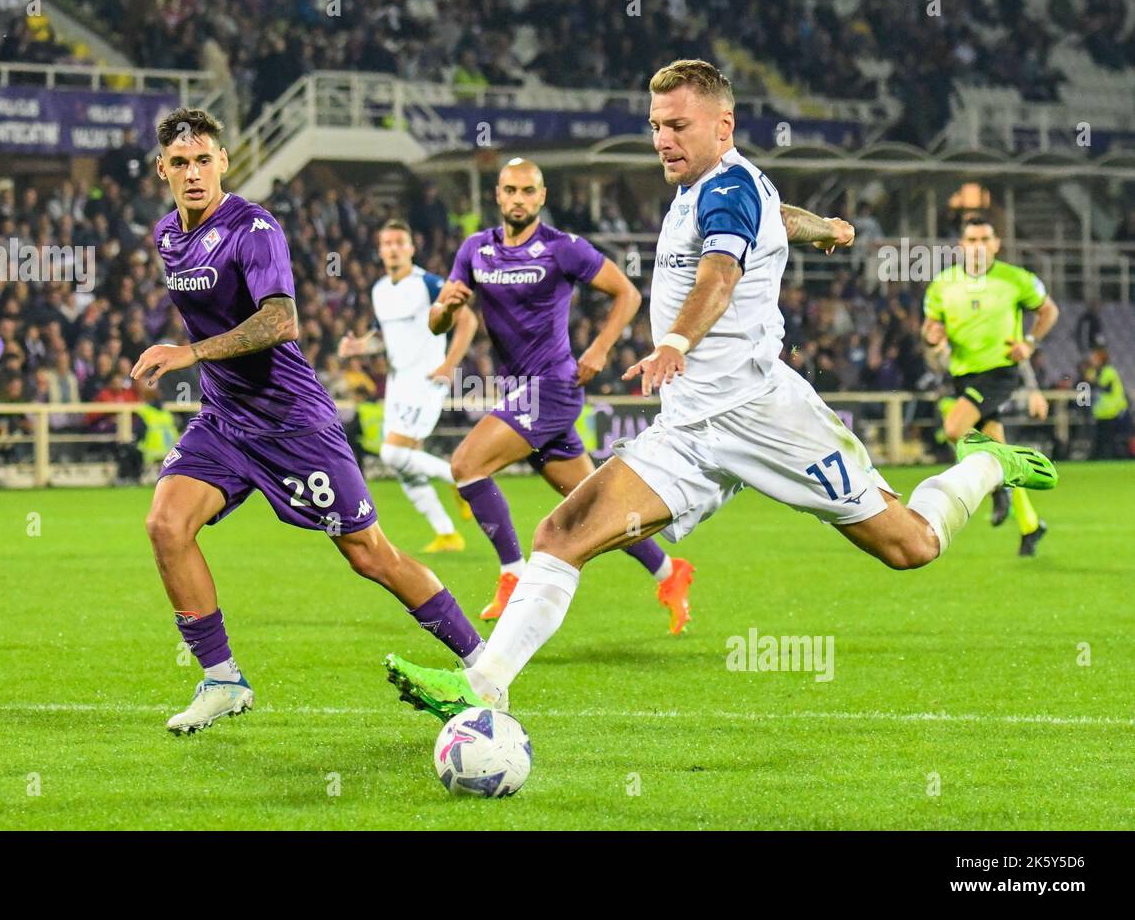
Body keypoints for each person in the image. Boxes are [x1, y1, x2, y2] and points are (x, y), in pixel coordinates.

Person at [382, 59, 1058, 719]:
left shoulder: (726, 192)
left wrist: (673, 343)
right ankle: (485, 688)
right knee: (563, 531)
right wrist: (821, 227)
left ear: (723, 126)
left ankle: (983, 465)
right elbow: (771, 210)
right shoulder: (720, 186)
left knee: (911, 545)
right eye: (655, 125)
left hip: (767, 418)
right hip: (691, 429)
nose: (661, 140)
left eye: (677, 124)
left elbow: (719, 275)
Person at [130, 108, 484, 735]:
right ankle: (221, 680)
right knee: (165, 523)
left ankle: (483, 665)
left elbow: (279, 321)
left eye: (204, 160)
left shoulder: (254, 229)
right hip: (225, 421)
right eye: (180, 163)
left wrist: (188, 354)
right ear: (162, 169)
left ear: (224, 163)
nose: (192, 173)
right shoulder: (166, 235)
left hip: (292, 422)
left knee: (369, 555)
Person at [430, 157, 696, 633]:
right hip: (517, 390)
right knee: (591, 507)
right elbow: (438, 322)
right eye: (510, 190)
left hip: (552, 387)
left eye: (527, 191)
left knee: (466, 465)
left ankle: (512, 574)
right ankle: (668, 571)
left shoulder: (562, 249)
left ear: (541, 197)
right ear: (497, 195)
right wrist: (445, 310)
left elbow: (627, 294)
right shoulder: (475, 250)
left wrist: (598, 348)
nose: (518, 199)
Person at [922, 213, 1059, 556]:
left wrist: (1028, 342)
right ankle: (1030, 526)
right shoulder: (943, 284)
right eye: (972, 240)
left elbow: (1049, 311)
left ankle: (1000, 492)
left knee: (954, 428)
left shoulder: (1016, 279)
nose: (979, 247)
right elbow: (930, 329)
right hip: (963, 375)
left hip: (999, 372)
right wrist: (931, 336)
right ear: (961, 246)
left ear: (996, 244)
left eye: (985, 239)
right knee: (996, 448)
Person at [338, 218, 476, 552]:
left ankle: (461, 478)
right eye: (387, 243)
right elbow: (383, 338)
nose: (393, 249)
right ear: (380, 249)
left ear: (411, 248)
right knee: (403, 463)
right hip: (399, 382)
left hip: (427, 379)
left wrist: (448, 365)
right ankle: (447, 533)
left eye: (400, 242)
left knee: (393, 452)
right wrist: (359, 347)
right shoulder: (380, 290)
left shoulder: (428, 283)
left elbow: (468, 319)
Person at [1083, 344, 1129, 459]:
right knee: (1102, 438)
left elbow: (1105, 387)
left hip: (1112, 411)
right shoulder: (1094, 371)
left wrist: (1092, 380)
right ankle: (1100, 458)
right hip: (1102, 412)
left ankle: (1109, 458)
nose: (1091, 359)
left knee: (1107, 439)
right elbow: (1086, 383)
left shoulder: (1109, 371)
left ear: (1101, 358)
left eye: (1094, 357)